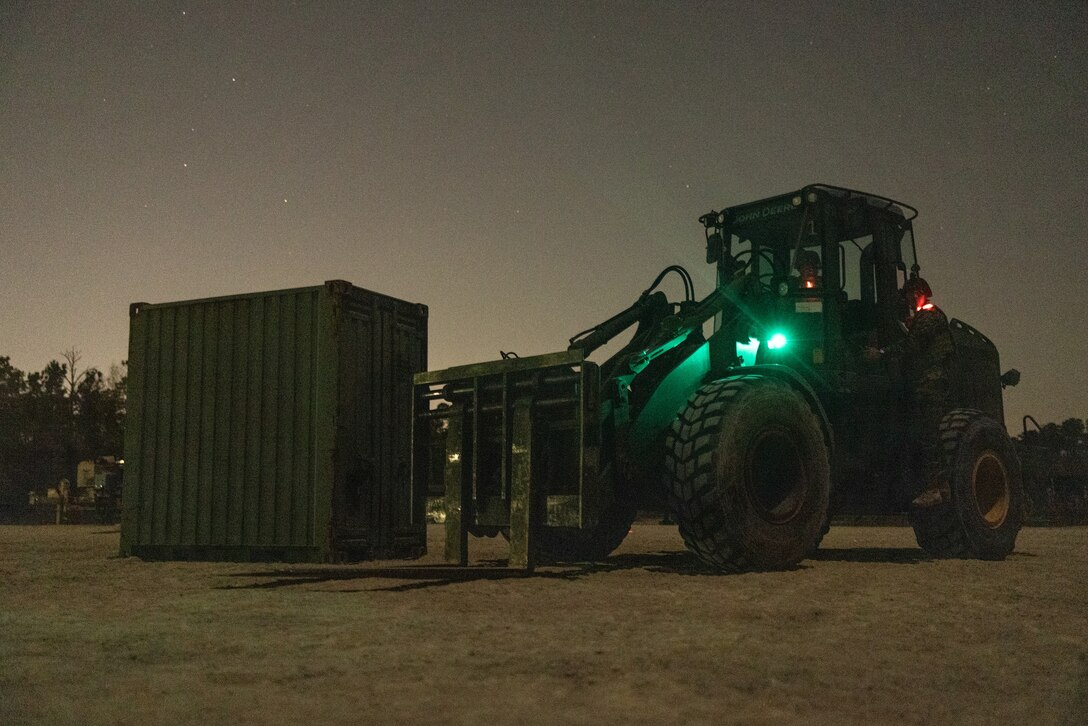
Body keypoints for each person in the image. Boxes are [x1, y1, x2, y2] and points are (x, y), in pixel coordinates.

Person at [869, 277, 955, 506]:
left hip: (932, 383)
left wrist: (882, 353)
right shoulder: (925, 317)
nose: (906, 299)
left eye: (908, 294)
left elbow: (911, 347)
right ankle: (941, 489)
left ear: (918, 293)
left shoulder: (928, 316)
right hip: (929, 382)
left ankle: (935, 489)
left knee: (929, 436)